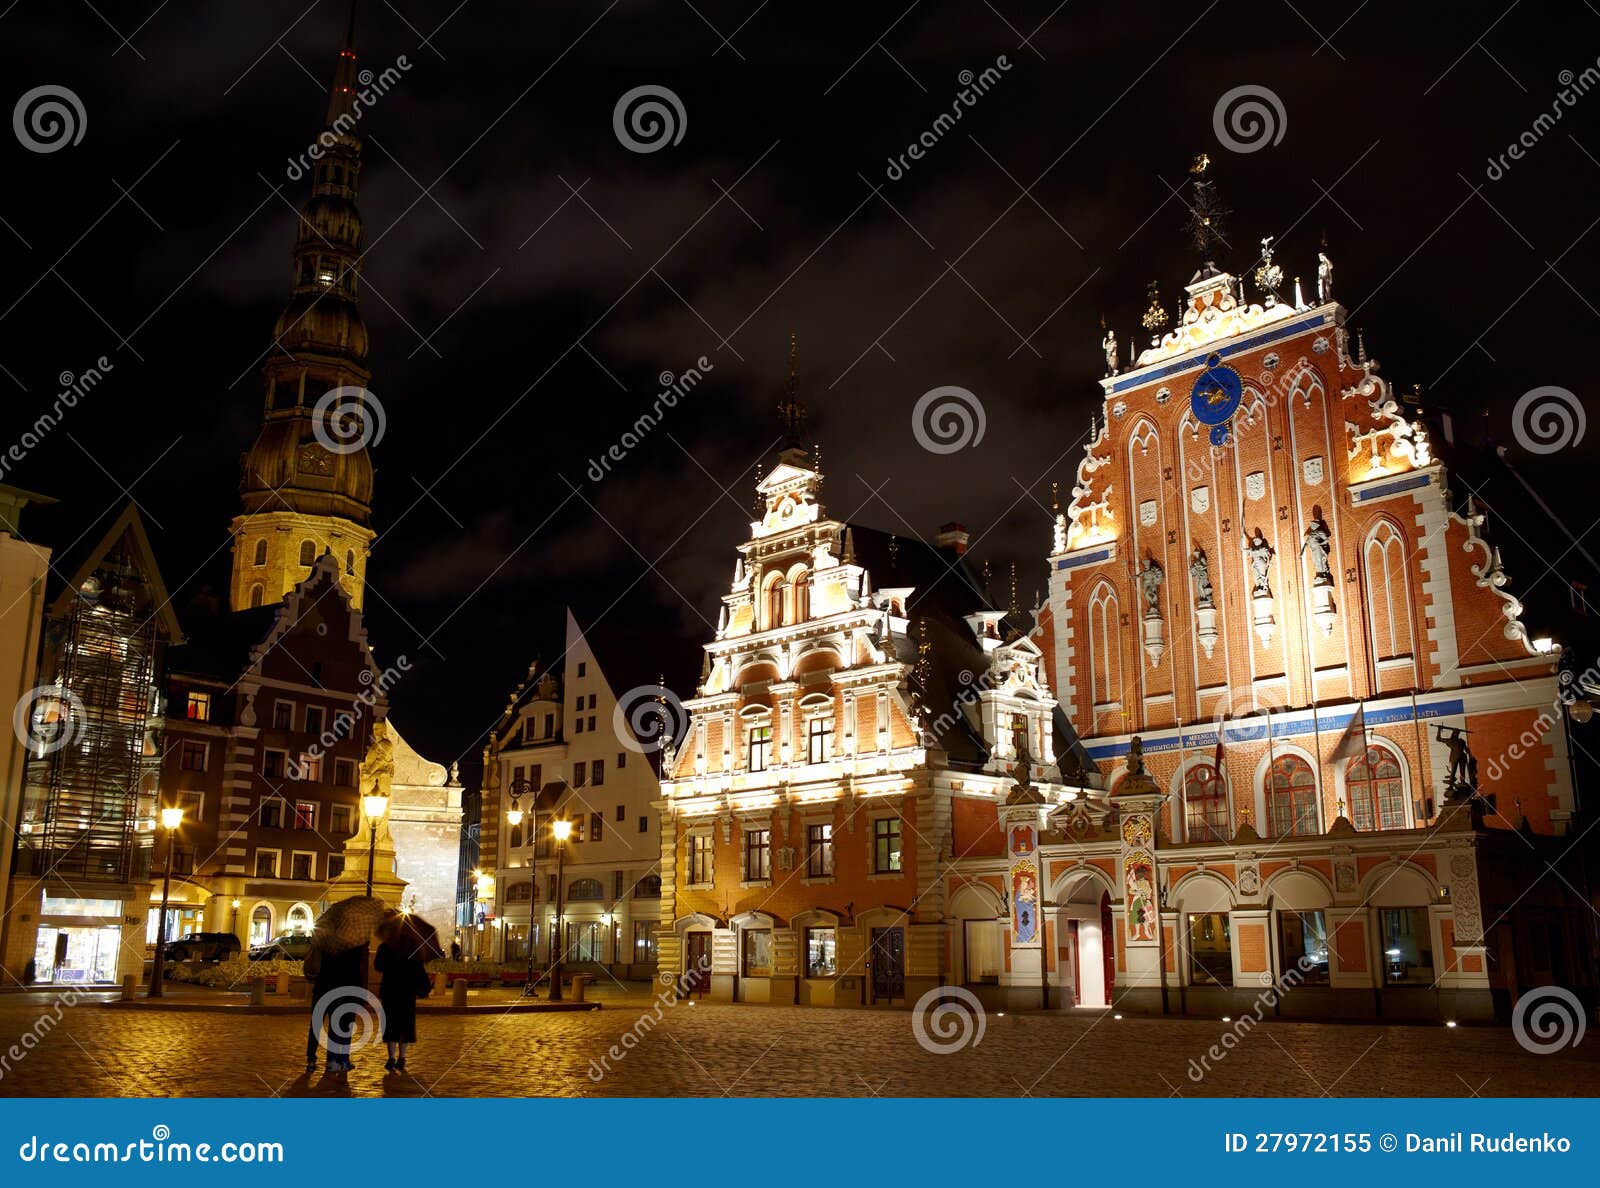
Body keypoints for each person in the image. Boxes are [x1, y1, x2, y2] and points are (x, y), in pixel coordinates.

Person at [305, 942, 366, 1074]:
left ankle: (311, 1059)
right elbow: (354, 972)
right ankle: (333, 1061)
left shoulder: (325, 941)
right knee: (336, 1026)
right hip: (336, 990)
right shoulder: (349, 947)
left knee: (315, 1026)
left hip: (321, 987)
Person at [375, 934, 430, 1073]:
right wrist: (423, 988)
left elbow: (378, 966)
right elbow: (419, 970)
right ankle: (402, 1057)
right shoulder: (413, 948)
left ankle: (391, 1057)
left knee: (390, 1023)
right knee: (406, 1024)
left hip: (390, 990)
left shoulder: (385, 946)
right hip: (407, 992)